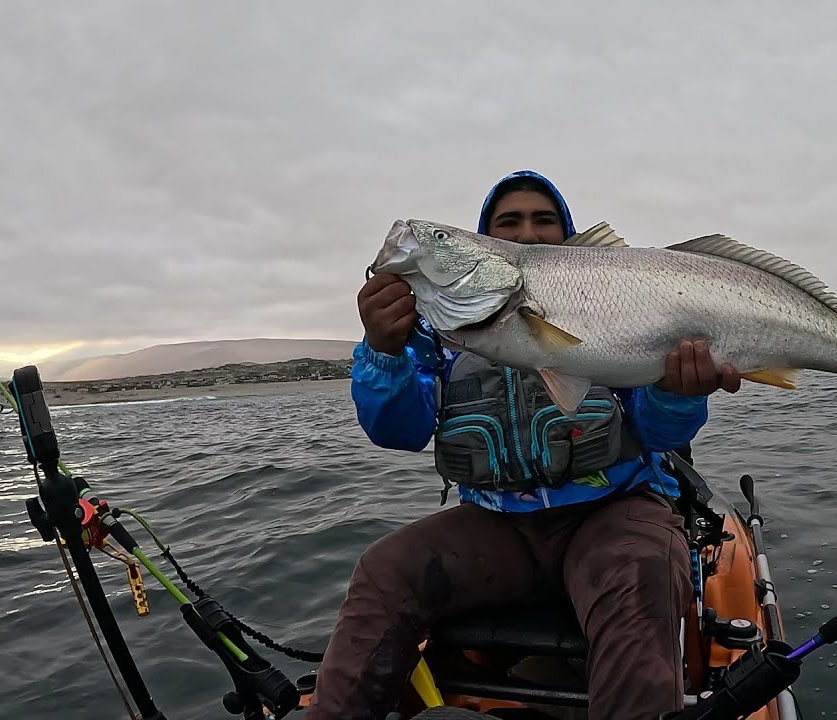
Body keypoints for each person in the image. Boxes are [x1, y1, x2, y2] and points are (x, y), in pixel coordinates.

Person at [307, 170, 741, 720]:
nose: (528, 233)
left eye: (544, 220)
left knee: (640, 573)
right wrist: (384, 352)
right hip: (496, 523)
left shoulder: (621, 309)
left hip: (613, 511)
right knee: (384, 569)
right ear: (487, 245)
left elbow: (659, 435)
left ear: (568, 236)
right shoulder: (435, 330)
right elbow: (398, 432)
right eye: (507, 224)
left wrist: (678, 395)